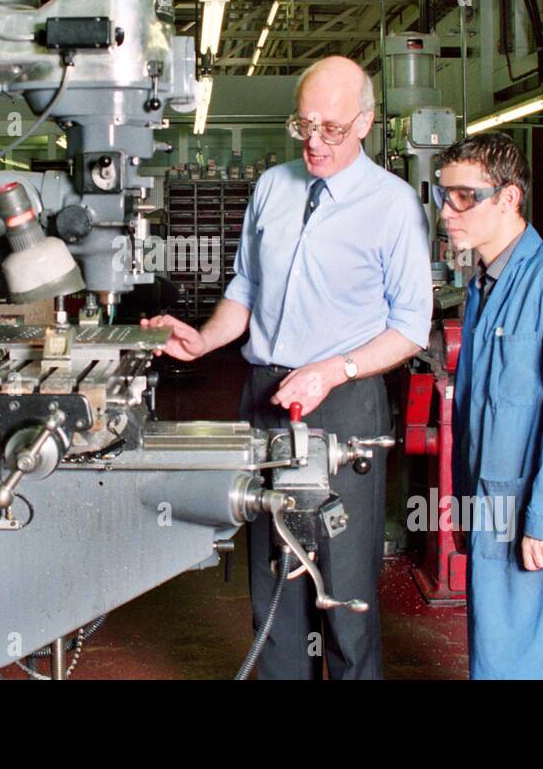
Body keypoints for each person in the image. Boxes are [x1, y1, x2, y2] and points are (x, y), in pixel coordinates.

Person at [143, 55, 432, 679]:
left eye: (331, 128)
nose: (315, 142)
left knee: (344, 583)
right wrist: (204, 340)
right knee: (273, 578)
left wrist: (333, 369)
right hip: (264, 397)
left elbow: (410, 327)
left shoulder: (394, 205)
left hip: (343, 403)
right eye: (304, 125)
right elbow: (245, 289)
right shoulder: (274, 186)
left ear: (366, 122)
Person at [435, 132, 543, 679]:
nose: (447, 212)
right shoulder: (483, 286)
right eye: (443, 195)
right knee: (498, 650)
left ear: (509, 198)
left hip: (542, 510)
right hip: (491, 506)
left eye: (464, 196)